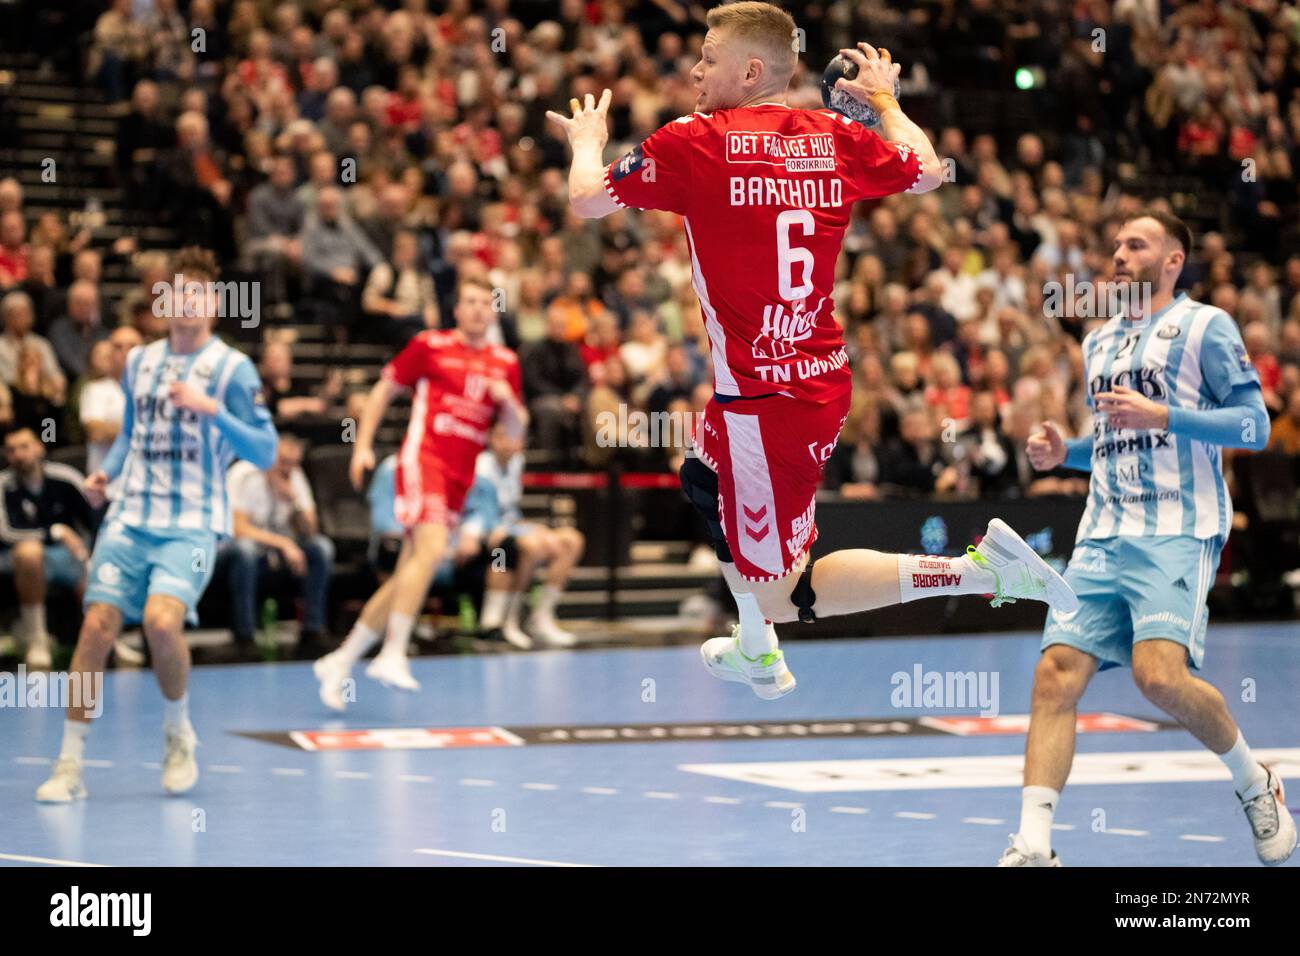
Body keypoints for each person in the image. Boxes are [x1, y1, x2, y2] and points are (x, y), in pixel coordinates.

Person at [548, 1, 1076, 700]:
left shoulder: (697, 140)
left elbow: (586, 199)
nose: (697, 69)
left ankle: (983, 573)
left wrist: (588, 139)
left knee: (785, 593)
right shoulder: (831, 135)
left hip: (769, 407)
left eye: (708, 58)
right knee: (702, 481)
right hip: (807, 381)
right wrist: (886, 100)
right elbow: (927, 170)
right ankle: (756, 652)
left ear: (751, 69)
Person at [1005, 211, 1295, 867]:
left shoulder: (1207, 327)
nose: (1118, 255)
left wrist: (1166, 414)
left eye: (1135, 244)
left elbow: (1254, 428)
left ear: (1172, 261)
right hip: (1103, 531)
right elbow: (1113, 442)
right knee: (1054, 675)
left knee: (1158, 676)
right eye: (1114, 245)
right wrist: (1064, 453)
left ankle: (1258, 785)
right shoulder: (1099, 341)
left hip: (1177, 528)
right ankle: (1034, 845)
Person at [35, 247, 277, 803]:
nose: (186, 304)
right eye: (177, 294)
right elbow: (130, 435)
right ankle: (69, 765)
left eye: (198, 294)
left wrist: (211, 409)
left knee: (161, 624)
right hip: (130, 517)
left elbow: (264, 449)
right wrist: (107, 477)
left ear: (214, 304)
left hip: (193, 523)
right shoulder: (140, 362)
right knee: (96, 625)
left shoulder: (232, 369)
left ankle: (178, 733)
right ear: (163, 302)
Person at [313, 277, 527, 711]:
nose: (477, 309)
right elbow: (382, 391)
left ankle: (340, 659)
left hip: (459, 478)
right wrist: (364, 445)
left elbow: (518, 433)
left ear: (494, 310)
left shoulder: (505, 362)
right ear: (456, 308)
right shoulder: (429, 345)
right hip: (422, 458)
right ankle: (393, 652)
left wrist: (509, 404)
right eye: (468, 301)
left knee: (409, 573)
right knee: (428, 552)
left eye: (485, 303)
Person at [457, 422, 586, 649]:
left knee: (571, 540)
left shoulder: (517, 463)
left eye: (514, 437)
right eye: (501, 436)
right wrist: (523, 532)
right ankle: (506, 620)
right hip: (487, 544)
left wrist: (533, 528)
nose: (508, 443)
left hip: (508, 531)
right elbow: (484, 518)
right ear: (490, 439)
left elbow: (510, 513)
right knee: (525, 546)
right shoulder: (480, 468)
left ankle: (541, 617)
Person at [220, 434, 333, 655]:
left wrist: (294, 502)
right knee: (246, 550)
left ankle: (312, 630)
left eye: (294, 463)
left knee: (321, 547)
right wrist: (284, 543)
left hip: (279, 558)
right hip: (235, 556)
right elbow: (238, 529)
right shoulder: (244, 474)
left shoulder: (295, 476)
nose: (289, 469)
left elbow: (312, 530)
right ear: (267, 456)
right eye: (283, 462)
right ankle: (245, 636)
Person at [0, 427, 97, 669]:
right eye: (12, 450)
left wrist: (90, 557)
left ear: (40, 447)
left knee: (99, 564)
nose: (19, 454)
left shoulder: (67, 478)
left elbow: (95, 523)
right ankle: (37, 640)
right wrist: (57, 531)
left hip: (68, 558)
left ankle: (106, 641)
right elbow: (6, 533)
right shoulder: (3, 485)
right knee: (29, 552)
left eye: (25, 446)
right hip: (18, 560)